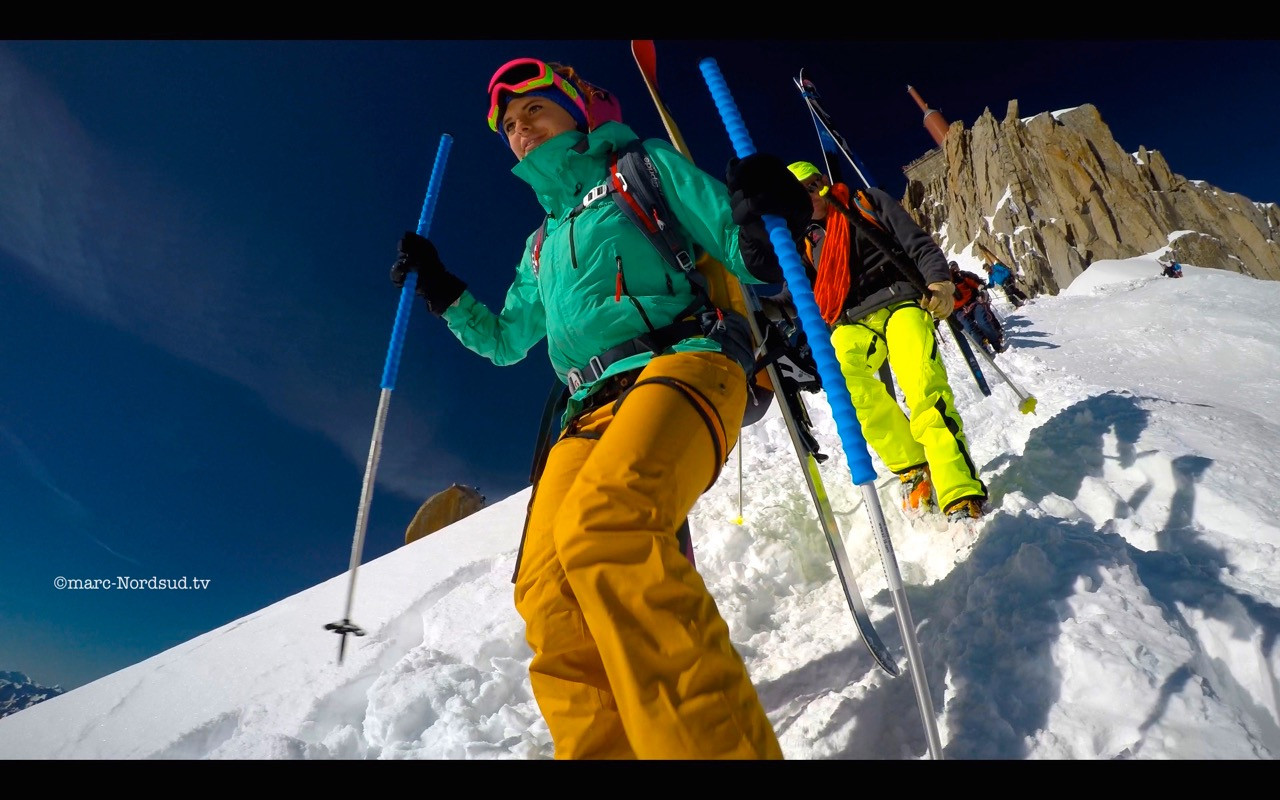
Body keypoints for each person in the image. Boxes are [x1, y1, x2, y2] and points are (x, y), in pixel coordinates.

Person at [389, 57, 812, 760]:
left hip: (684, 364)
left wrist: (768, 222)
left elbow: (741, 250)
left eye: (533, 111)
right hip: (585, 408)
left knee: (607, 527)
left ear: (576, 110)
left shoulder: (640, 169)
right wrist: (440, 287)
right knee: (547, 597)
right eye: (510, 127)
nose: (521, 131)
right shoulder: (540, 246)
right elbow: (504, 341)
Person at [785, 161, 988, 523]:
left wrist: (939, 283)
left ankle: (959, 490)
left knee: (922, 383)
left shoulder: (865, 202)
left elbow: (918, 243)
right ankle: (912, 467)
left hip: (900, 301)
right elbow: (796, 295)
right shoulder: (805, 244)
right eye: (800, 190)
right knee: (846, 386)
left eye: (814, 182)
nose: (811, 192)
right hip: (849, 320)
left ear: (825, 181)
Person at [950, 262, 1006, 355]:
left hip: (973, 303)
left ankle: (996, 344)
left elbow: (975, 282)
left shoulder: (961, 276)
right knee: (970, 330)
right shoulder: (940, 286)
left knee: (983, 322)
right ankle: (984, 350)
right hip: (959, 310)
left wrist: (980, 288)